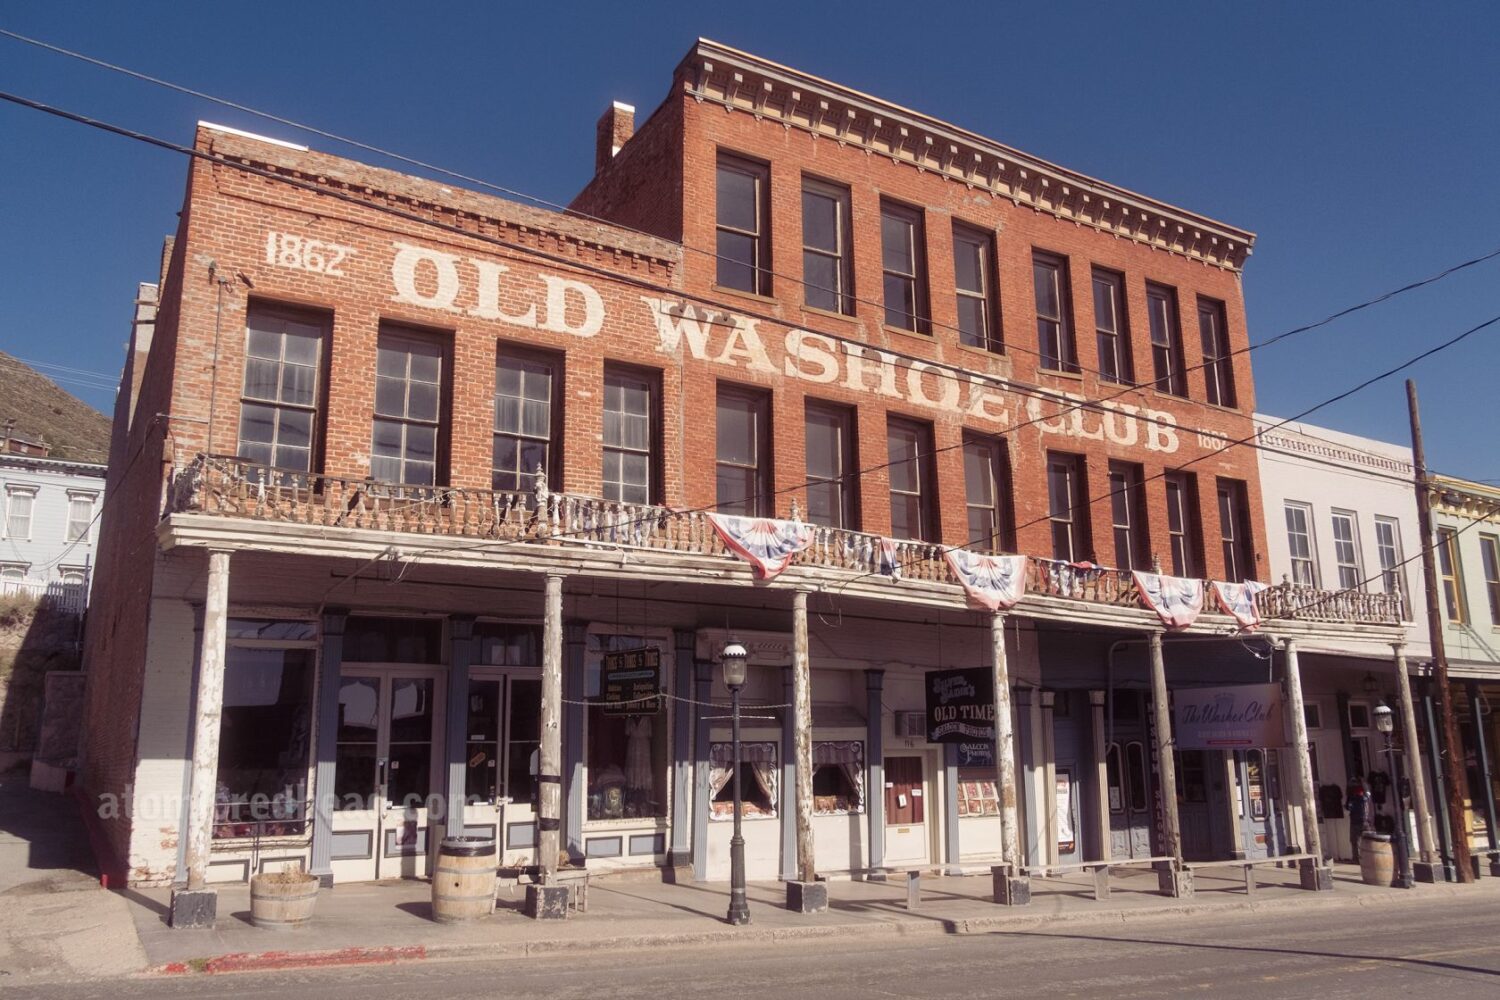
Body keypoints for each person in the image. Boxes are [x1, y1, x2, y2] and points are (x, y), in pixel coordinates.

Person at [1346, 777, 1371, 861]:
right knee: (1359, 840)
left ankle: (1358, 858)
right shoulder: (1361, 798)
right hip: (1361, 820)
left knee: (1357, 840)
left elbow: (1347, 807)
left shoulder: (1360, 798)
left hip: (1360, 820)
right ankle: (1360, 858)